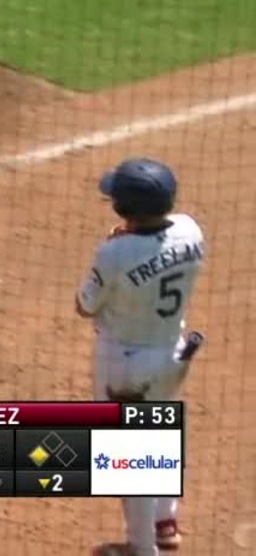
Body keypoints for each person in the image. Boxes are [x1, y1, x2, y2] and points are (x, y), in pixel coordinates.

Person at [79, 157, 206, 556]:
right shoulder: (191, 231)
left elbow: (85, 305)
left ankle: (141, 547)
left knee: (129, 458)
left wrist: (118, 243)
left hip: (124, 365)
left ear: (123, 208)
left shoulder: (113, 253)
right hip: (173, 356)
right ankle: (164, 521)